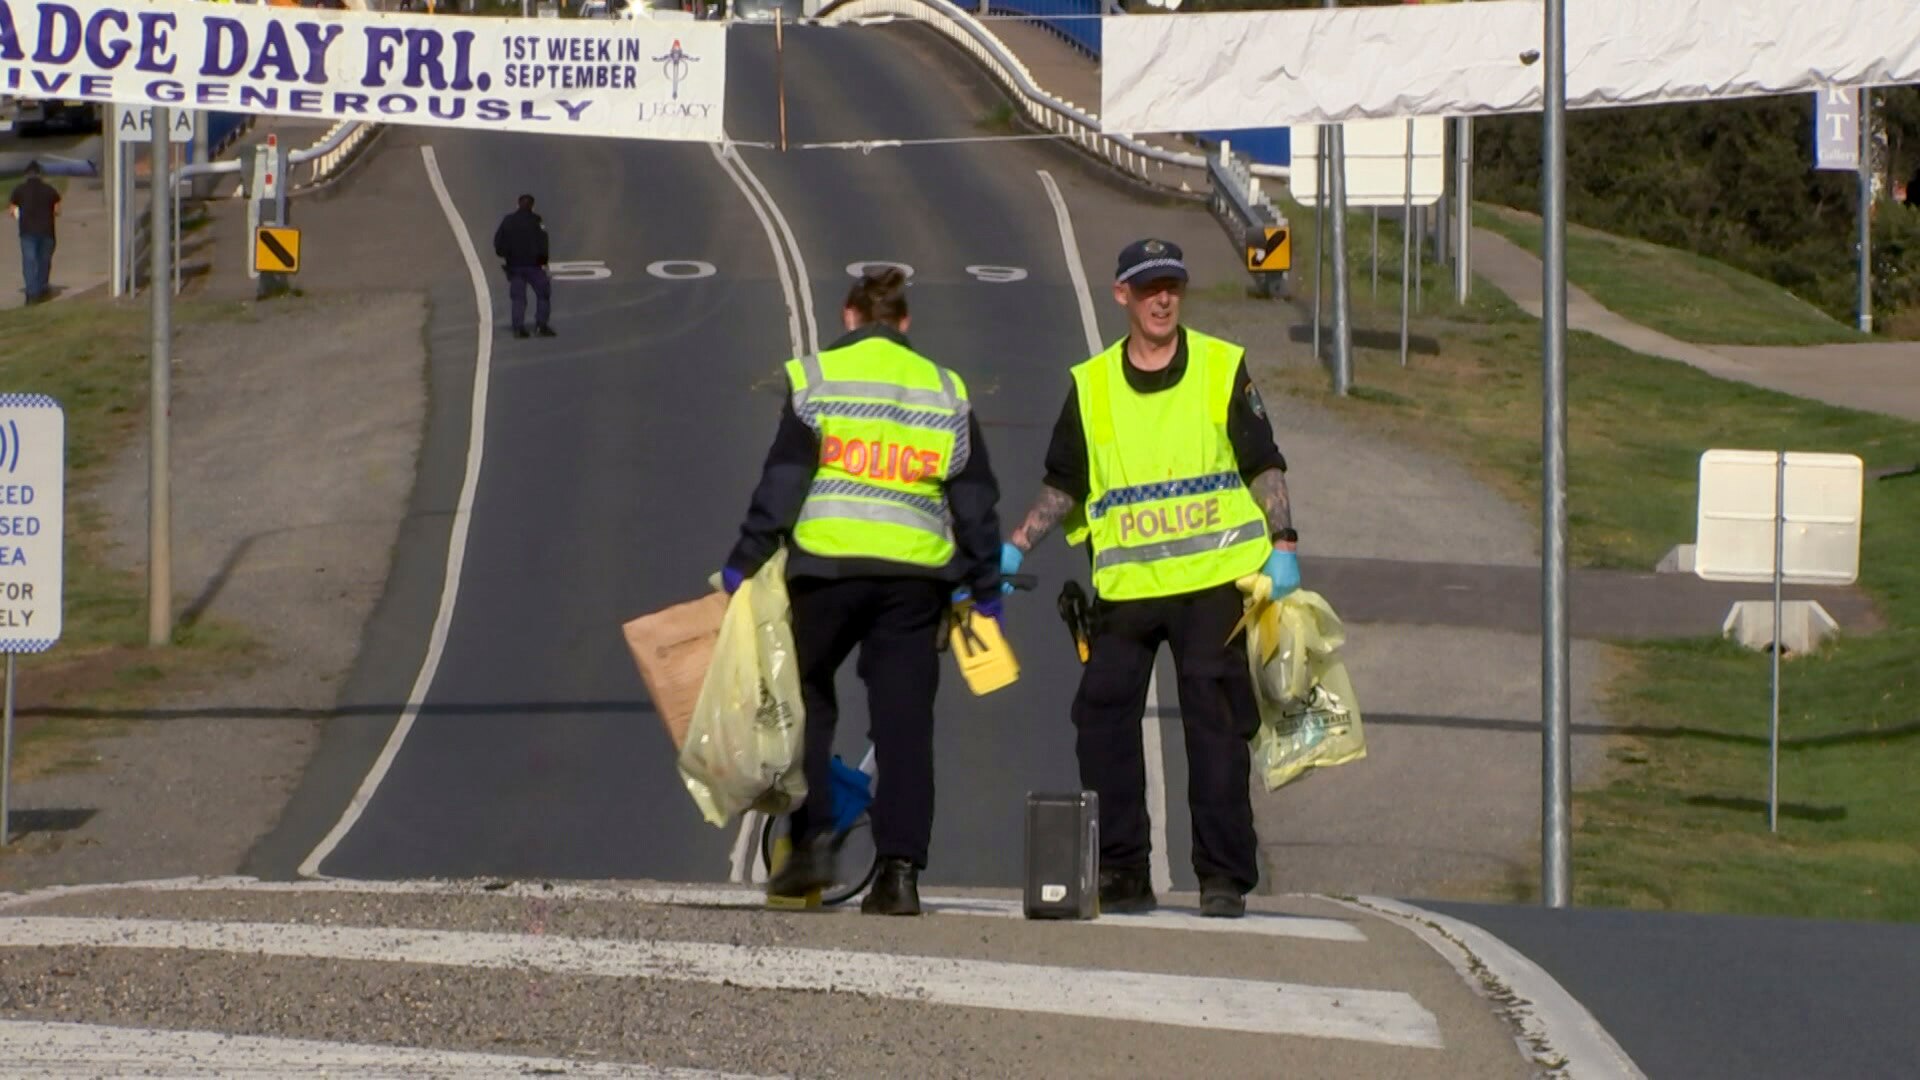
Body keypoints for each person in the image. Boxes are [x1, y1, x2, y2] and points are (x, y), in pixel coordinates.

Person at [1001, 238, 1299, 919]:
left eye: (1172, 284)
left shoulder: (1222, 368)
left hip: (1212, 582)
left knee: (1215, 724)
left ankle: (1223, 877)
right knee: (1101, 720)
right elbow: (1064, 484)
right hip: (1128, 592)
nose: (1162, 298)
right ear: (1123, 296)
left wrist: (1283, 540)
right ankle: (1122, 872)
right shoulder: (1093, 384)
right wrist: (1017, 546)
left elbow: (1264, 462)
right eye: (1148, 286)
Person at [723, 268, 1003, 916]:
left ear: (850, 317)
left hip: (826, 571)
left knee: (810, 704)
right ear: (903, 323)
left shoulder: (815, 379)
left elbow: (783, 485)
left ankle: (813, 837)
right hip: (914, 581)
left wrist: (746, 559)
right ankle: (899, 875)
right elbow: (976, 503)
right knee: (905, 727)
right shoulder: (945, 390)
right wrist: (985, 588)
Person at [492, 194, 555, 339]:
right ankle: (541, 325)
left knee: (518, 298)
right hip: (534, 266)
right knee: (543, 294)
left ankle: (518, 328)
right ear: (532, 206)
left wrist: (506, 255)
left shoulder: (508, 220)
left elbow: (498, 242)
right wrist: (543, 262)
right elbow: (543, 242)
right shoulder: (537, 220)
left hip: (514, 265)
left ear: (518, 205)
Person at [8, 162, 60, 306]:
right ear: (41, 175)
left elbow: (12, 211)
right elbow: (57, 210)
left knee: (29, 262)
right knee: (44, 261)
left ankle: (31, 294)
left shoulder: (19, 190)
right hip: (47, 231)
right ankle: (42, 288)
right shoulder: (50, 190)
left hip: (27, 231)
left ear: (26, 175)